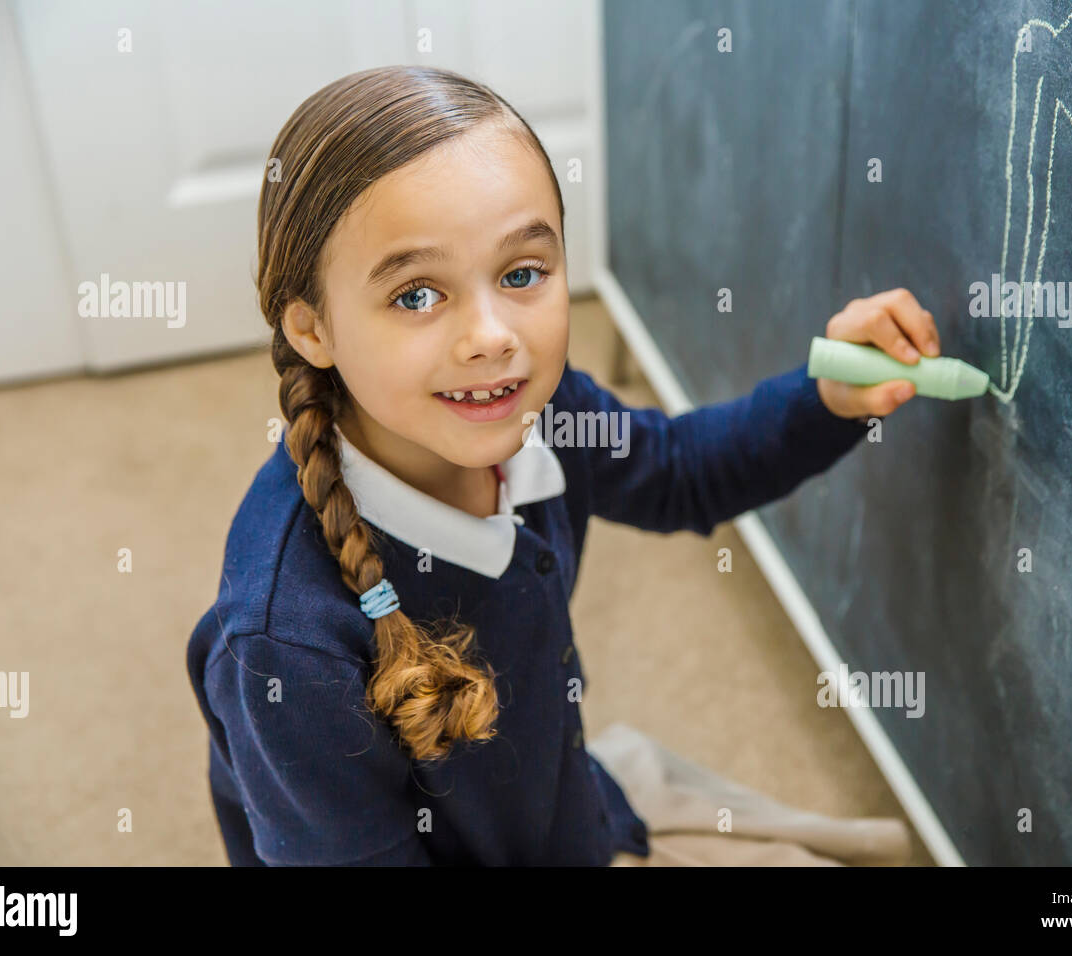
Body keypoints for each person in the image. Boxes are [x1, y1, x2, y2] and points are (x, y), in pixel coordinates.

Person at [185, 64, 939, 866]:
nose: (491, 335)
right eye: (416, 294)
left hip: (558, 802)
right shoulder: (283, 645)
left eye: (521, 275)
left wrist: (824, 398)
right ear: (312, 329)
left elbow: (682, 472)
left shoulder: (540, 411)